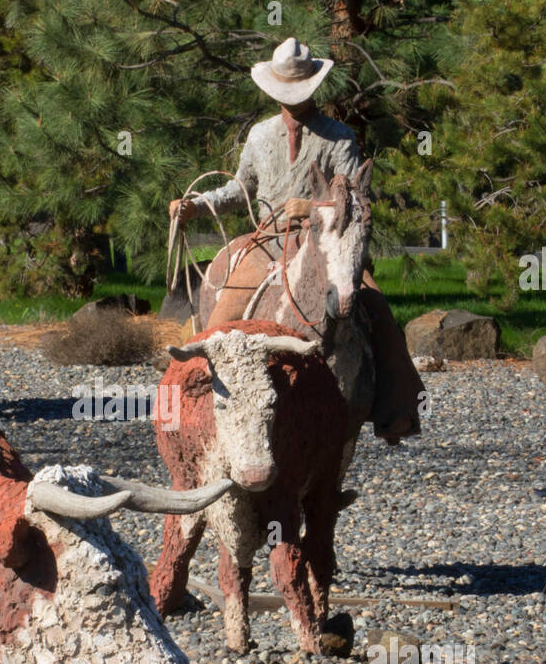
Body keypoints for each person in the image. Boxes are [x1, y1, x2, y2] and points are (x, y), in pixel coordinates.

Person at [170, 37, 423, 444]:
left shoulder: (338, 137)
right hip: (267, 240)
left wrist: (309, 208)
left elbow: (353, 196)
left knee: (375, 304)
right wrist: (197, 206)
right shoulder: (259, 135)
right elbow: (240, 189)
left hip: (324, 245)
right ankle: (198, 393)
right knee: (226, 309)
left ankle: (398, 408)